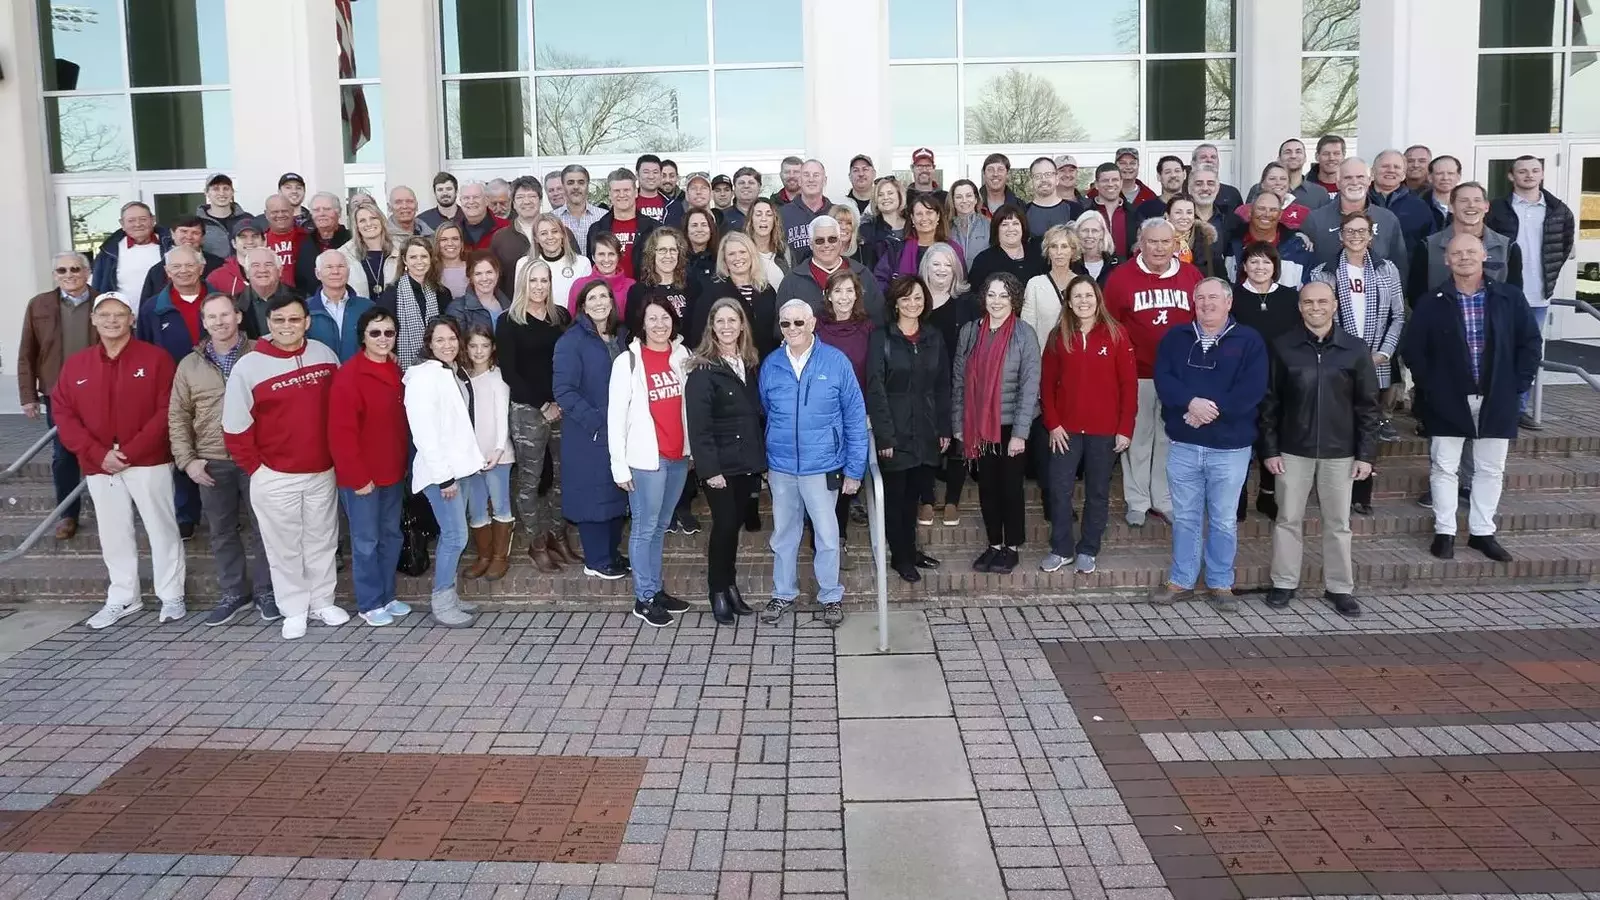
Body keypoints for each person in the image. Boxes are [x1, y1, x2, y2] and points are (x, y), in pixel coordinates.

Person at [1404, 232, 1542, 563]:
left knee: (1491, 468)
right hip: (1448, 397)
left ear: (1484, 256)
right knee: (1444, 467)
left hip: (1498, 396)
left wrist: (1518, 384)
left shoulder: (1509, 297)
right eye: (1456, 253)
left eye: (1470, 251)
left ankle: (1482, 532)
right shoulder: (1432, 300)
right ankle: (1445, 532)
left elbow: (1530, 343)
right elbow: (1413, 350)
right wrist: (1431, 386)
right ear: (1447, 260)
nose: (1463, 257)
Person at [51, 291, 185, 629]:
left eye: (120, 314)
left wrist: (131, 452)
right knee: (114, 533)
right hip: (100, 465)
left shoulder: (156, 359)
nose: (112, 321)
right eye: (105, 315)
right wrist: (99, 454)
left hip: (148, 460)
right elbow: (64, 416)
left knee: (162, 528)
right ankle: (124, 596)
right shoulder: (77, 365)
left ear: (132, 319)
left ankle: (171, 595)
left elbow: (165, 410)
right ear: (94, 320)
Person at [222, 294, 347, 640]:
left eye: (294, 320)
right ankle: (294, 608)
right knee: (284, 547)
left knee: (322, 540)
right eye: (280, 321)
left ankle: (322, 601)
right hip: (275, 475)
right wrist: (257, 469)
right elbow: (234, 426)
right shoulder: (249, 366)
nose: (287, 327)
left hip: (322, 470)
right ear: (268, 323)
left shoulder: (325, 355)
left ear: (307, 321)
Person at [1259, 281, 1380, 617]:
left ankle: (1340, 588)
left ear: (1335, 305)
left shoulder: (1355, 349)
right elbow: (1269, 404)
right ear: (1299, 307)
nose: (1316, 307)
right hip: (1292, 450)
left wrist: (1366, 455)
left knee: (1338, 523)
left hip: (1340, 452)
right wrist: (1270, 449)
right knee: (1287, 519)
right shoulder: (1283, 347)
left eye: (1322, 301)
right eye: (1308, 302)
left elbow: (1368, 408)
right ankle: (1283, 582)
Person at [1150, 277, 1269, 612]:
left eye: (1213, 298)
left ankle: (1220, 582)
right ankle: (1182, 580)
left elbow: (1252, 389)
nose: (1206, 304)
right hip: (1185, 445)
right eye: (1200, 298)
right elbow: (1164, 378)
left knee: (1223, 519)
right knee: (1185, 517)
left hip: (1229, 449)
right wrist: (1190, 403)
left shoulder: (1249, 340)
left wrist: (1208, 411)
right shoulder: (1176, 337)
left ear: (1229, 302)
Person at [758, 299, 869, 629]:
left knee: (827, 535)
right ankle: (783, 592)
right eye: (785, 324)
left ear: (812, 324)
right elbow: (765, 409)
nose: (792, 329)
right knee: (784, 534)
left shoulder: (836, 362)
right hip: (781, 467)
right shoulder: (772, 365)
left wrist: (854, 469)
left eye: (798, 323)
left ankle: (831, 596)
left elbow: (854, 417)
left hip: (823, 465)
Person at [169, 292, 277, 625]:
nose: (220, 322)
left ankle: (266, 592)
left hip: (257, 459)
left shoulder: (263, 352)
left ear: (238, 317)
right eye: (212, 317)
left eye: (225, 315)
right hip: (212, 460)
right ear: (204, 323)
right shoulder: (190, 364)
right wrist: (187, 460)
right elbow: (178, 415)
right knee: (221, 531)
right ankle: (234, 592)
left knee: (266, 529)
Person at [1105, 219, 1202, 527]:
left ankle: (1162, 498)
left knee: (1168, 438)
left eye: (1165, 242)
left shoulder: (1191, 276)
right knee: (1137, 437)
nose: (1159, 248)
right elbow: (1110, 325)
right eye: (1152, 242)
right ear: (1140, 244)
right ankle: (1137, 500)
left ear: (1175, 244)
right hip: (1138, 374)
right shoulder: (1121, 278)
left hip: (1179, 377)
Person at [1038, 276, 1135, 576]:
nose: (1083, 301)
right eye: (1077, 296)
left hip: (1104, 430)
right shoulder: (1058, 336)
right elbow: (1047, 385)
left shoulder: (1116, 334)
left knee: (1097, 492)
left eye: (1088, 295)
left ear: (1098, 299)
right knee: (1059, 488)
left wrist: (1125, 428)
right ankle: (1062, 548)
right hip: (1065, 431)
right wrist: (1052, 424)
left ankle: (1088, 548)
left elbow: (1128, 386)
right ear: (1068, 301)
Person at [606, 296, 693, 627]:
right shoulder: (627, 362)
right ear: (641, 325)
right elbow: (616, 418)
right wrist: (619, 465)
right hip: (646, 458)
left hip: (678, 456)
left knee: (659, 526)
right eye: (652, 319)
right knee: (645, 527)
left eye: (665, 318)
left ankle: (656, 590)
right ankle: (644, 598)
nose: (660, 325)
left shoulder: (682, 356)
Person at [952, 272, 1040, 574]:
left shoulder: (1024, 334)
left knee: (1010, 489)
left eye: (1004, 295)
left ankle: (1012, 546)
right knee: (987, 489)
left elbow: (1030, 386)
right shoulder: (970, 332)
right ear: (983, 298)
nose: (997, 301)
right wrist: (958, 424)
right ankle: (993, 544)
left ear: (1014, 299)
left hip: (1009, 427)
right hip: (978, 426)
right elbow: (959, 381)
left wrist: (1020, 433)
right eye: (991, 295)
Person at [329, 309, 412, 626]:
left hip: (392, 471)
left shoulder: (395, 370)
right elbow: (341, 433)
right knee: (365, 541)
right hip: (363, 477)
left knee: (391, 536)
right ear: (362, 335)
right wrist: (357, 476)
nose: (382, 339)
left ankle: (387, 595)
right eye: (375, 333)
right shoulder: (350, 375)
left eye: (389, 333)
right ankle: (369, 602)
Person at [866, 276, 951, 583]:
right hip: (896, 431)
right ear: (895, 303)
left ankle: (911, 550)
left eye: (917, 298)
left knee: (916, 495)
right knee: (896, 500)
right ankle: (900, 557)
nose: (912, 304)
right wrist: (885, 436)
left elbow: (943, 385)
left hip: (926, 429)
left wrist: (944, 427)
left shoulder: (933, 336)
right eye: (905, 299)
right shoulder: (882, 338)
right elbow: (875, 388)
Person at [685, 297, 764, 622]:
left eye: (733, 320)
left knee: (734, 528)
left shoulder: (749, 363)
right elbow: (699, 426)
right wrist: (710, 470)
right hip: (720, 466)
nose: (728, 326)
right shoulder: (703, 368)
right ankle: (718, 589)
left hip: (746, 462)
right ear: (712, 328)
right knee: (725, 525)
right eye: (721, 322)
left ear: (742, 325)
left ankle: (730, 587)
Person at [403, 317, 484, 627]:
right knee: (454, 536)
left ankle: (450, 594)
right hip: (442, 475)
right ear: (429, 343)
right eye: (440, 340)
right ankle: (441, 601)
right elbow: (424, 433)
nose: (447, 345)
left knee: (455, 535)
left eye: (452, 339)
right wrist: (444, 477)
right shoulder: (423, 377)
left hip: (458, 470)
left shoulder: (451, 371)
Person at [1309, 210, 1407, 463]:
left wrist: (1384, 352)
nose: (1355, 236)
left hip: (1376, 359)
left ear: (1370, 236)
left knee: (1368, 423)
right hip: (1336, 358)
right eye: (1350, 231)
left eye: (1361, 231)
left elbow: (1398, 316)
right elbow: (1317, 317)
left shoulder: (1387, 270)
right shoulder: (1324, 272)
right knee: (1339, 423)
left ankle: (1362, 492)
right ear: (1341, 236)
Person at [1487, 154, 1577, 428]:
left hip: (1538, 295)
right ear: (1511, 176)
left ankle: (1518, 408)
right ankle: (1494, 404)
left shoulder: (1558, 210)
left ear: (1542, 174)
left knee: (1528, 353)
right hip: (1503, 292)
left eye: (1535, 170)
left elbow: (1563, 247)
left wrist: (1548, 277)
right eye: (1523, 171)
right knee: (1497, 350)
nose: (1529, 175)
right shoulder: (1497, 209)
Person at [497, 259, 573, 572]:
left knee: (559, 475)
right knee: (530, 478)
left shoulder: (561, 316)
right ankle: (536, 541)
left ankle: (557, 535)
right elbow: (509, 372)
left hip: (562, 408)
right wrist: (543, 404)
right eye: (533, 281)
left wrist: (562, 400)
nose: (539, 287)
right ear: (523, 284)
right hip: (529, 410)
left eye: (544, 281)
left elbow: (569, 360)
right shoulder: (509, 320)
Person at [555, 281, 631, 579]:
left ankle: (611, 553)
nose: (599, 302)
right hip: (590, 431)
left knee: (615, 491)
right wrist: (597, 421)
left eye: (604, 296)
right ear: (582, 305)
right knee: (593, 495)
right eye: (592, 298)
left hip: (621, 428)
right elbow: (564, 390)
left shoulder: (621, 336)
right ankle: (596, 560)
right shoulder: (571, 341)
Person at [18, 252, 97, 539]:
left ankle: (107, 508)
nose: (69, 274)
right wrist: (28, 395)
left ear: (87, 272)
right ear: (54, 275)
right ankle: (68, 514)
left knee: (100, 450)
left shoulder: (103, 301)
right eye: (61, 270)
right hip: (58, 393)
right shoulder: (39, 304)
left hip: (99, 390)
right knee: (63, 454)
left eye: (75, 268)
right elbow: (27, 352)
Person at [1231, 242, 1303, 519]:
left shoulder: (1289, 297)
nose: (1260, 267)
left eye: (1266, 262)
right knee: (1241, 441)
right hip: (1242, 381)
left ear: (1275, 267)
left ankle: (1267, 494)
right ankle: (1237, 496)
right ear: (1244, 266)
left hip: (1281, 380)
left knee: (1273, 439)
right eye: (1254, 261)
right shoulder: (1233, 297)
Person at [815, 270, 876, 565]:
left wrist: (869, 412)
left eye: (849, 291)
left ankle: (839, 538)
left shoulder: (868, 329)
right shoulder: (817, 329)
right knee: (823, 482)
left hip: (856, 416)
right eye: (837, 291)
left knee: (845, 482)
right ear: (828, 295)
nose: (843, 297)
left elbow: (874, 374)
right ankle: (819, 538)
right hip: (823, 418)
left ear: (857, 294)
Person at [920, 244, 978, 526]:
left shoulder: (967, 303)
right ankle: (927, 500)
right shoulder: (916, 301)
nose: (941, 270)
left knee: (957, 441)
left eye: (947, 265)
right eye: (935, 265)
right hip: (924, 383)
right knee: (927, 442)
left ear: (955, 269)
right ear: (926, 268)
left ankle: (952, 500)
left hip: (959, 380)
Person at [459, 325, 515, 583]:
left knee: (500, 504)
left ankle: (500, 557)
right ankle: (483, 555)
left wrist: (499, 448)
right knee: (476, 507)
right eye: (473, 346)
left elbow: (501, 416)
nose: (479, 351)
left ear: (492, 348)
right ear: (466, 349)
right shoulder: (462, 379)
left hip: (497, 455)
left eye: (484, 345)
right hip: (471, 456)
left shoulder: (498, 377)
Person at [777, 216, 887, 326]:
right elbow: (780, 327)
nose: (826, 245)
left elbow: (879, 319)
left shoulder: (862, 275)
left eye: (832, 239)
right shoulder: (792, 281)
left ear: (839, 242)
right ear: (810, 244)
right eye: (819, 241)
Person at [698, 231, 778, 358]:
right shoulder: (712, 291)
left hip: (765, 363)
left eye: (742, 252)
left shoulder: (766, 290)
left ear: (751, 255)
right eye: (731, 254)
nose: (737, 258)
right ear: (724, 259)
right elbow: (700, 331)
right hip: (727, 364)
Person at [627, 227, 702, 347]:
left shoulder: (693, 286)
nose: (668, 255)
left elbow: (699, 327)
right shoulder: (638, 291)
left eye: (673, 250)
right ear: (653, 253)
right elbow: (634, 330)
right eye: (662, 250)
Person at [378, 237, 446, 369]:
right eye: (413, 257)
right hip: (402, 364)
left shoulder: (442, 293)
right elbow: (383, 328)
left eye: (424, 256)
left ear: (431, 259)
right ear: (405, 260)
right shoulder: (392, 292)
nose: (419, 261)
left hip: (438, 362)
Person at [875, 193, 965, 291]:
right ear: (912, 219)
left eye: (929, 213)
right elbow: (880, 280)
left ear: (938, 216)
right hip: (908, 304)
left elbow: (961, 281)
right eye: (919, 214)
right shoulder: (897, 250)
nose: (924, 218)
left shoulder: (953, 249)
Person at [1225, 189, 1316, 286]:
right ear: (1250, 211)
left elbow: (1309, 289)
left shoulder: (1298, 248)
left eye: (1273, 210)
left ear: (1280, 214)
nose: (1267, 214)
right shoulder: (1230, 243)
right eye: (1261, 208)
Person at [305, 250, 375, 362]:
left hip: (358, 375)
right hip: (319, 375)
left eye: (341, 266)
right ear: (317, 273)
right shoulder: (304, 309)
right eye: (329, 267)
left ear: (348, 272)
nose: (335, 271)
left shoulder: (367, 307)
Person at [91, 201, 172, 298]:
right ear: (122, 224)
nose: (137, 224)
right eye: (131, 220)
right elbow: (97, 286)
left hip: (160, 310)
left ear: (153, 220)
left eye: (143, 219)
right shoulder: (108, 252)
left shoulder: (170, 246)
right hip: (122, 312)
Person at [589, 168, 659, 279]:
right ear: (610, 194)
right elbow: (592, 267)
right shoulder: (597, 229)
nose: (621, 195)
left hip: (643, 292)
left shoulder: (653, 228)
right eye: (616, 191)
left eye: (626, 190)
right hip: (607, 292)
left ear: (636, 192)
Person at [138, 216, 226, 301]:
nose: (189, 237)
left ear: (202, 238)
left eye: (195, 233)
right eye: (184, 231)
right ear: (172, 234)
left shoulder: (219, 265)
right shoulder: (158, 271)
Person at [1368, 149, 1433, 257]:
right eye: (1385, 166)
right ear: (1372, 171)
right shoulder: (1359, 202)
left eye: (1397, 167)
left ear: (1403, 175)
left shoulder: (1419, 206)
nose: (1391, 170)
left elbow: (1428, 246)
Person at [520, 213, 593, 308]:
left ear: (562, 234)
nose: (550, 237)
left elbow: (588, 300)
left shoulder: (582, 263)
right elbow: (520, 301)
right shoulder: (524, 264)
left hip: (573, 321)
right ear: (536, 238)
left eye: (555, 231)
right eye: (543, 233)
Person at [488, 176, 547, 294]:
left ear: (540, 201)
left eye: (532, 196)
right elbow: (495, 279)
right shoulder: (500, 238)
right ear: (513, 203)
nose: (526, 201)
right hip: (514, 307)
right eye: (520, 197)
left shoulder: (559, 233)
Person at [1023, 225, 1080, 343]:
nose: (1059, 252)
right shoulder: (1035, 285)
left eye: (1064, 246)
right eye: (1054, 246)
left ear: (1073, 250)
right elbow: (1027, 329)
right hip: (1043, 355)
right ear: (1048, 251)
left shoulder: (1082, 285)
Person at [967, 206, 1042, 288]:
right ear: (996, 229)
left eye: (1015, 223)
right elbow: (974, 295)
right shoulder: (983, 260)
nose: (1010, 229)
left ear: (1023, 227)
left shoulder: (1038, 254)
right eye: (1004, 224)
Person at [339, 200, 399, 301]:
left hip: (395, 312)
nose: (369, 224)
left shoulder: (400, 249)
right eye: (362, 220)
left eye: (373, 218)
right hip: (361, 313)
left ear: (381, 221)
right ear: (356, 226)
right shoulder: (344, 254)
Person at [233, 247, 298, 340]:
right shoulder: (235, 305)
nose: (262, 270)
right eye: (255, 265)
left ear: (280, 271)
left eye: (269, 264)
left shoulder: (300, 299)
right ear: (246, 272)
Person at [294, 193, 352, 294]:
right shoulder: (305, 243)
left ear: (338, 213)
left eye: (327, 209)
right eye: (316, 210)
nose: (321, 214)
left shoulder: (351, 240)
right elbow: (301, 280)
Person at [568, 233, 636, 318]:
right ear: (593, 257)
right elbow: (572, 320)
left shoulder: (631, 286)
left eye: (611, 254)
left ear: (618, 256)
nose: (606, 259)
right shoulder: (579, 285)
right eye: (601, 254)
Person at [781, 160, 834, 262]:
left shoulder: (835, 213)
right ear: (800, 180)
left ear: (824, 180)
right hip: (795, 276)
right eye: (806, 175)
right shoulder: (782, 214)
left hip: (831, 276)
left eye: (816, 175)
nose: (811, 179)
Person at [444, 251, 507, 333]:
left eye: (489, 272)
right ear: (470, 277)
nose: (484, 278)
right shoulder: (457, 308)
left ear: (497, 273)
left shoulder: (509, 305)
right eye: (478, 274)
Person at [1244, 162, 1316, 231]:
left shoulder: (1304, 213)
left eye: (1283, 179)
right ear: (1262, 184)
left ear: (1288, 184)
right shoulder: (1243, 211)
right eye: (1272, 178)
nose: (1278, 183)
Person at [1165, 195, 1224, 278]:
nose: (1184, 217)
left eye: (1189, 212)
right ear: (1167, 216)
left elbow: (1219, 276)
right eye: (1178, 212)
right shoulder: (1155, 240)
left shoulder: (1206, 239)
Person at [198, 173, 254, 260]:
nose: (222, 193)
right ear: (206, 193)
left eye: (226, 188)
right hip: (212, 272)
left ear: (232, 192)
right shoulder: (198, 223)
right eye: (216, 189)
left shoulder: (247, 219)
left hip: (246, 271)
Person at [1088, 164, 1139, 260]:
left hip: (1126, 270)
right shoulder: (1086, 213)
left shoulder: (1135, 213)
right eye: (1105, 180)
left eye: (1115, 180)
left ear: (1121, 182)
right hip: (1094, 271)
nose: (1110, 184)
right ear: (1096, 185)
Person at [260, 194, 309, 290]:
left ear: (292, 211)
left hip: (301, 296)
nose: (280, 215)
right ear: (266, 214)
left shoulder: (306, 237)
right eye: (275, 212)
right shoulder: (260, 242)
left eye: (284, 211)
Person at [207, 219, 264, 297]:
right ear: (233, 243)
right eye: (243, 237)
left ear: (264, 241)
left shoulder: (275, 271)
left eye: (255, 236)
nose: (250, 241)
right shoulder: (217, 278)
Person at [556, 164, 607, 249]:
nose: (576, 187)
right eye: (570, 183)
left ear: (587, 185)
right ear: (563, 186)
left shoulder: (603, 216)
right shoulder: (553, 218)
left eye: (581, 182)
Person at [1025, 157, 1079, 236]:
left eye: (1048, 174)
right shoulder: (1023, 212)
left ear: (1056, 178)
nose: (1043, 180)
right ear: (1031, 181)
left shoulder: (1075, 210)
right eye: (1037, 176)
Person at [745, 197, 790, 288]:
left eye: (769, 214)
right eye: (758, 214)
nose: (763, 219)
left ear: (774, 220)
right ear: (751, 219)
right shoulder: (742, 252)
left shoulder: (785, 252)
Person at [1190, 144, 1247, 212]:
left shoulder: (1232, 193)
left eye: (1213, 157)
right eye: (1203, 157)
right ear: (1193, 163)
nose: (1209, 160)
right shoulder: (1184, 193)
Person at [1135, 155, 1190, 221]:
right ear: (1159, 177)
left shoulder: (1194, 205)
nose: (1173, 175)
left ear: (1184, 174)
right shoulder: (1146, 208)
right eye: (1168, 172)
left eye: (1177, 171)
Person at [860, 177, 907, 253]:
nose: (885, 198)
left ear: (900, 196)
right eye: (880, 195)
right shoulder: (867, 229)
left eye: (890, 193)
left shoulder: (912, 226)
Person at [1073, 210, 1119, 286]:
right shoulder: (1070, 264)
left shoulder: (1115, 264)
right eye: (1085, 230)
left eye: (1094, 231)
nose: (1089, 235)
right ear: (1077, 233)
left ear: (1102, 234)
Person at [459, 181, 508, 251]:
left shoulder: (505, 227)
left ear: (486, 200)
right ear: (460, 201)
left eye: (476, 197)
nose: (471, 202)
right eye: (466, 198)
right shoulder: (452, 230)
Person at [948, 179, 989, 262]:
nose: (964, 200)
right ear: (953, 201)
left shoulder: (989, 225)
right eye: (959, 197)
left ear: (976, 199)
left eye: (969, 196)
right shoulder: (946, 227)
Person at [829, 203, 876, 273]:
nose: (844, 227)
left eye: (849, 223)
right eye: (839, 223)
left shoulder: (865, 253)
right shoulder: (823, 252)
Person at [1424, 155, 1463, 232]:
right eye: (1439, 173)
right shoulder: (1419, 206)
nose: (1445, 178)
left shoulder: (1470, 205)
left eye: (1450, 173)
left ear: (1459, 177)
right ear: (1430, 177)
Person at [433, 221, 470, 298]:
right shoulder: (431, 271)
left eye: (455, 239)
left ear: (461, 243)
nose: (450, 243)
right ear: (437, 244)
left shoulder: (473, 267)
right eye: (444, 239)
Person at [683, 207, 720, 286]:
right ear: (686, 231)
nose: (699, 229)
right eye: (694, 225)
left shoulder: (720, 259)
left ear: (711, 229)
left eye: (704, 225)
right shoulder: (679, 260)